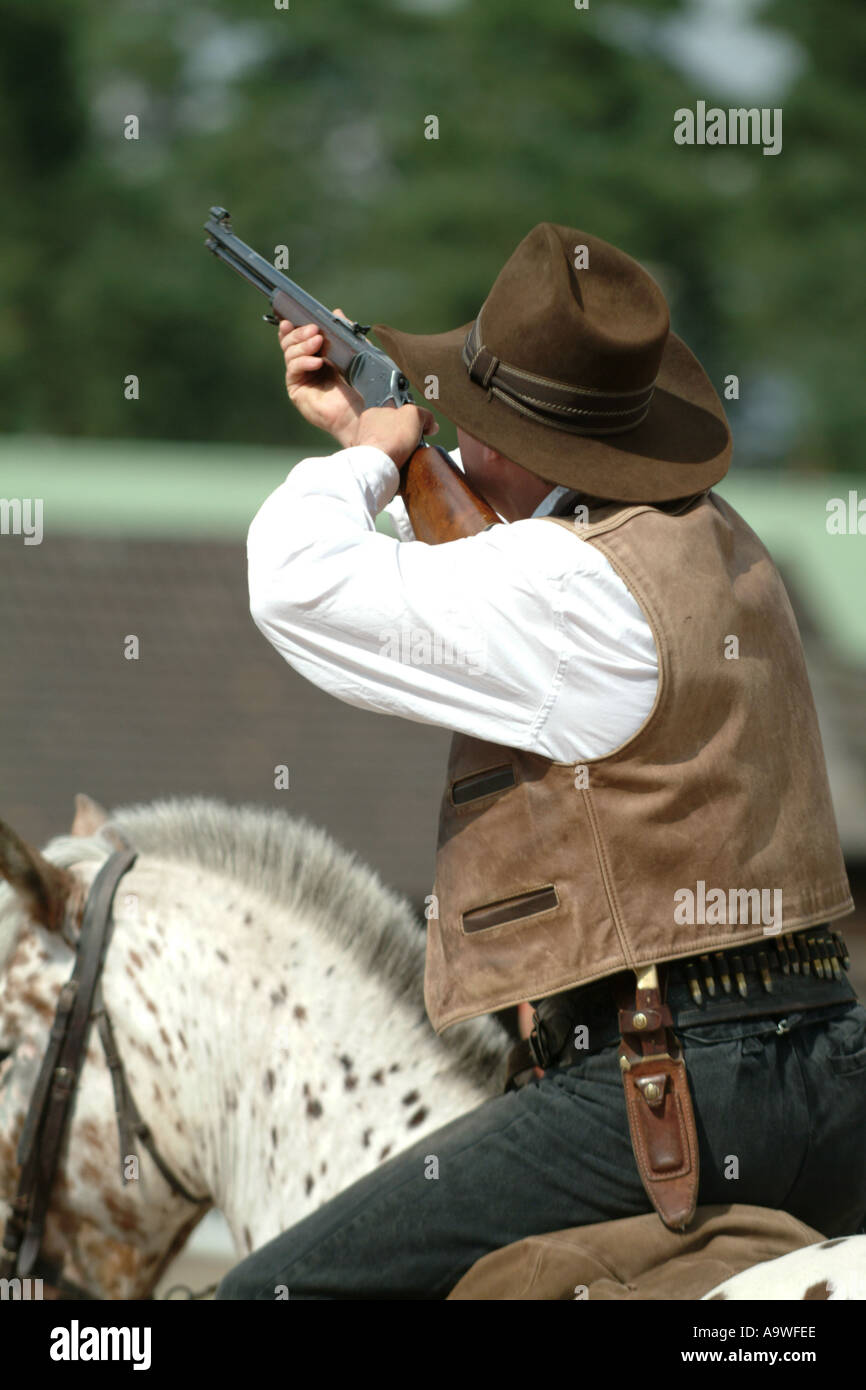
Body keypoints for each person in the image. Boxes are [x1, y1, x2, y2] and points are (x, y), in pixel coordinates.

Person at [216, 223, 865, 1300]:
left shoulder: (563, 585)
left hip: (664, 1089)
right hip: (829, 1073)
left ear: (528, 444)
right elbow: (506, 597)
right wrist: (385, 441)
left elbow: (296, 582)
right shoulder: (718, 541)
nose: (459, 444)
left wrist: (376, 454)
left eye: (473, 426)